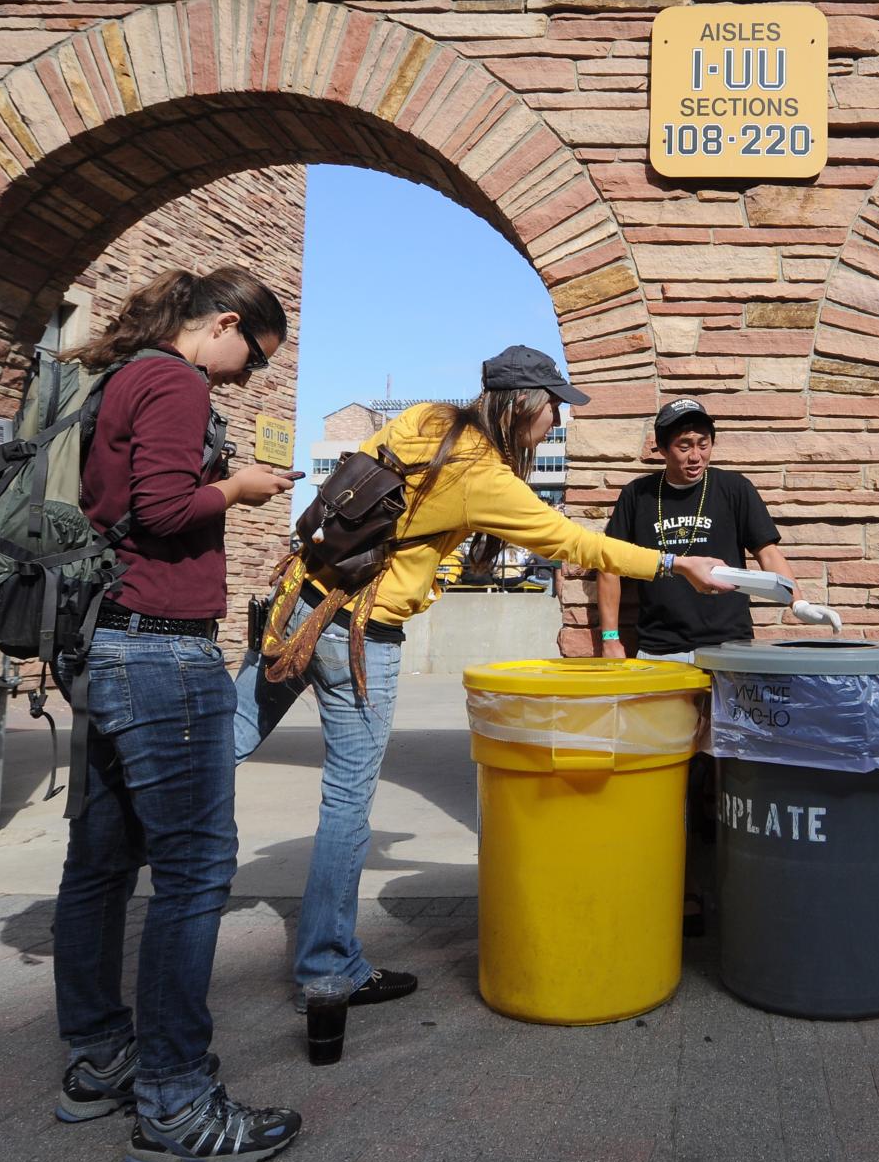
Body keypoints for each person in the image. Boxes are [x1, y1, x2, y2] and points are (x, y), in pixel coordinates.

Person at [235, 345, 735, 1010]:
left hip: (298, 602)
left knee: (224, 735)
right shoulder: (482, 476)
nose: (556, 421)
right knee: (347, 803)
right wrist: (676, 565)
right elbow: (572, 543)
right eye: (553, 406)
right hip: (360, 634)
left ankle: (131, 836)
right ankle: (329, 970)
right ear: (524, 402)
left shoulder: (424, 421)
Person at [50, 266, 305, 1162]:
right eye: (250, 359)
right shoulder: (172, 379)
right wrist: (238, 492)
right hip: (162, 650)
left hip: (108, 643)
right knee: (195, 875)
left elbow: (130, 496)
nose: (243, 379)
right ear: (223, 323)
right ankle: (176, 1103)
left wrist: (223, 477)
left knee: (102, 864)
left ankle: (97, 1059)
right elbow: (161, 508)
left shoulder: (122, 376)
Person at [597, 397, 835, 662]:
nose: (695, 456)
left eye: (703, 444)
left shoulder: (734, 489)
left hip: (730, 647)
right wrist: (610, 639)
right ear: (663, 449)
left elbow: (767, 552)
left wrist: (798, 602)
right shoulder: (638, 495)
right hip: (660, 649)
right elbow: (609, 565)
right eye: (684, 446)